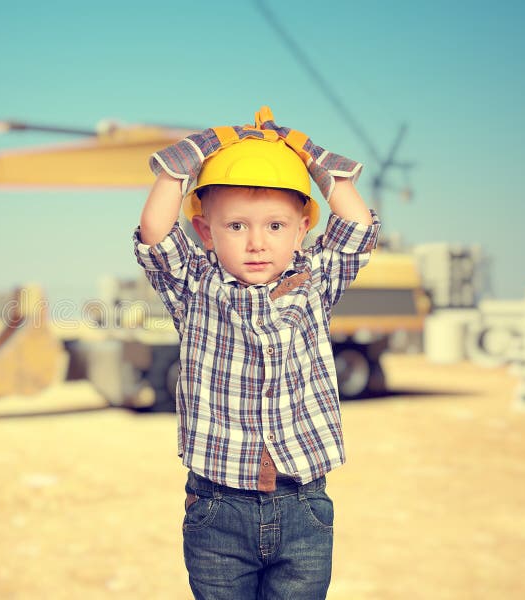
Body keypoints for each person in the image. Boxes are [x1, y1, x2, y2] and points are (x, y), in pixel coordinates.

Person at [132, 106, 380, 599]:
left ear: (301, 229)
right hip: (218, 510)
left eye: (274, 226)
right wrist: (199, 148)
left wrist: (308, 154)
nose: (256, 243)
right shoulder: (195, 288)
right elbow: (157, 232)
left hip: (304, 505)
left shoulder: (315, 283)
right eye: (237, 226)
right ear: (206, 232)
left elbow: (356, 225)